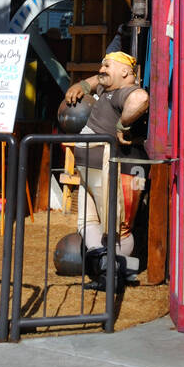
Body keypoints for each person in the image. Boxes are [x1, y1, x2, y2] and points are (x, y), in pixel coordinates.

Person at [63, 51, 149, 258]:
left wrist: (123, 122)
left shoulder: (125, 91)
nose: (101, 70)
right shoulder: (106, 88)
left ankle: (115, 270)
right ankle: (100, 263)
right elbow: (95, 80)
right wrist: (80, 86)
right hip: (90, 171)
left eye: (107, 66)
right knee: (88, 221)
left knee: (116, 226)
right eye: (102, 65)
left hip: (109, 171)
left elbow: (141, 98)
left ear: (126, 72)